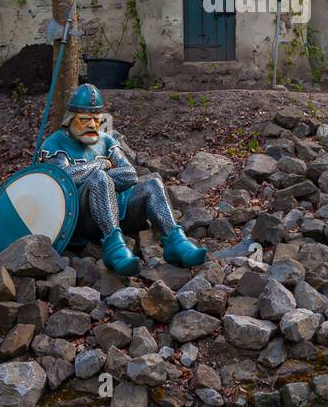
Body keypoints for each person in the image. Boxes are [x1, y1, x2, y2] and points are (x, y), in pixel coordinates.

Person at [39, 83, 206, 276]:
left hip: (121, 210)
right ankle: (114, 247)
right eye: (84, 119)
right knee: (99, 178)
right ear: (70, 119)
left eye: (96, 118)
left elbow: (130, 174)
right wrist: (101, 166)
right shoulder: (55, 143)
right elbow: (63, 179)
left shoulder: (107, 141)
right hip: (82, 218)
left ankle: (176, 242)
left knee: (152, 184)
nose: (92, 125)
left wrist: (100, 178)